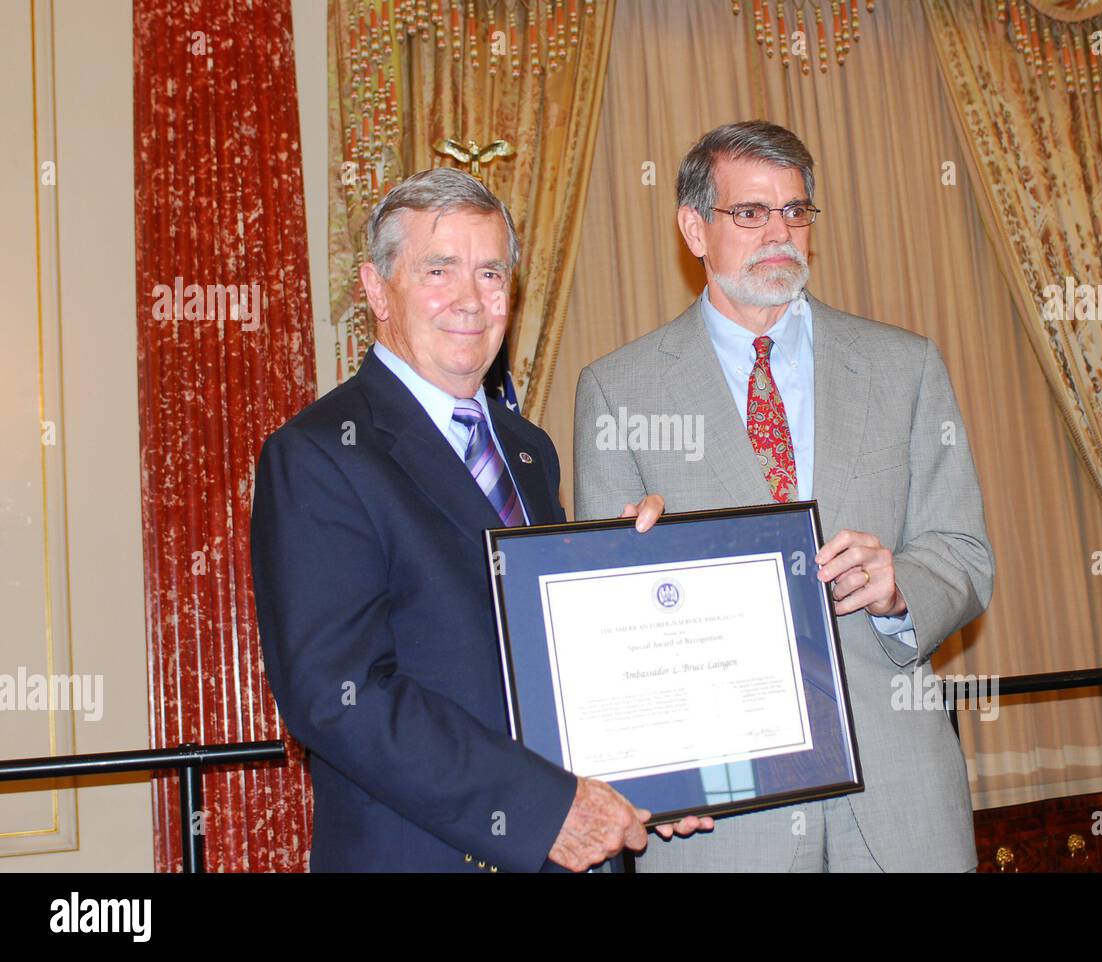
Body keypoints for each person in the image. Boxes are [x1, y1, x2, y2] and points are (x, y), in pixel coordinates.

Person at [250, 167, 709, 872]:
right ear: (376, 289)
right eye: (439, 270)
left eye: (491, 273)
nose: (470, 299)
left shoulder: (528, 450)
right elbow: (338, 698)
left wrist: (623, 576)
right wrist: (547, 810)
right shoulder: (319, 453)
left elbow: (541, 658)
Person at [573, 121, 994, 872]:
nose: (780, 233)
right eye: (751, 213)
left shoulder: (905, 367)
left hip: (897, 801)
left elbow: (963, 554)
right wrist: (646, 576)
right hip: (720, 822)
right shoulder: (618, 390)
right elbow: (607, 626)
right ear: (693, 228)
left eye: (796, 211)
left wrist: (902, 590)